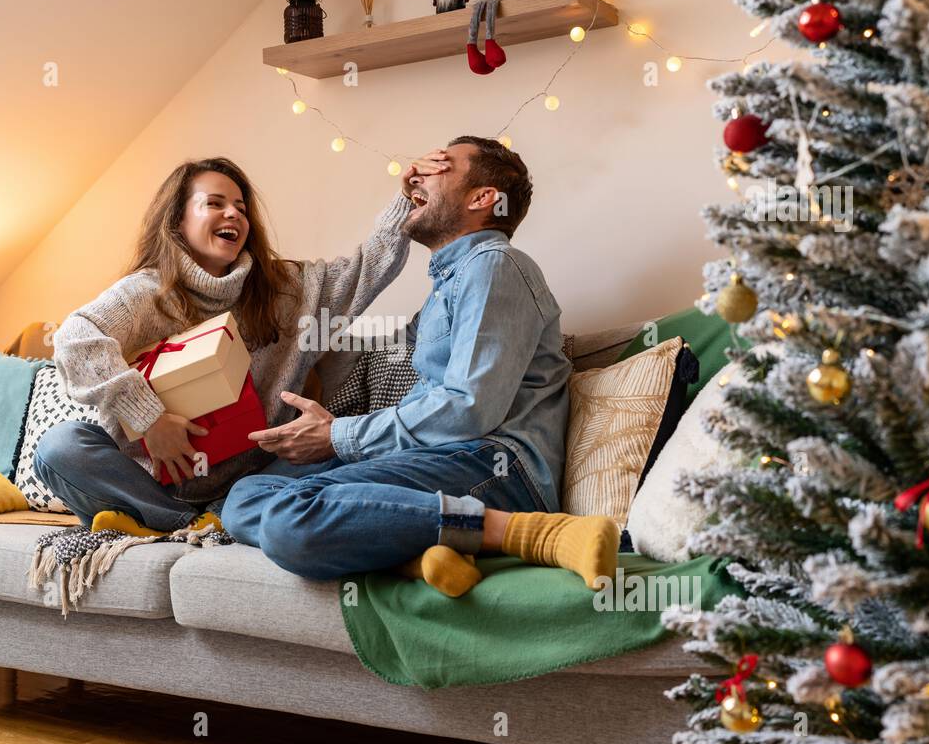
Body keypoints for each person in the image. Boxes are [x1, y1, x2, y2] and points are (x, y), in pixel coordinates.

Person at [223, 136, 619, 596]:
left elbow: (469, 409)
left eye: (440, 166)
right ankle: (421, 549)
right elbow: (379, 331)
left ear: (482, 197)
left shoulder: (494, 265)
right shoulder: (448, 283)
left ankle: (539, 535)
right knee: (246, 497)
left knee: (289, 520)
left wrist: (337, 436)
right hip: (434, 459)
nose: (416, 174)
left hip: (493, 465)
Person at [33, 154, 449, 536]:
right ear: (177, 220)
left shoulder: (288, 290)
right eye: (214, 203)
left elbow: (367, 270)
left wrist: (407, 197)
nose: (233, 213)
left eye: (241, 207)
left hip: (252, 480)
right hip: (150, 480)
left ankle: (189, 520)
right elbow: (75, 338)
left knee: (341, 451)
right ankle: (196, 523)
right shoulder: (145, 293)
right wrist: (150, 419)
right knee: (58, 448)